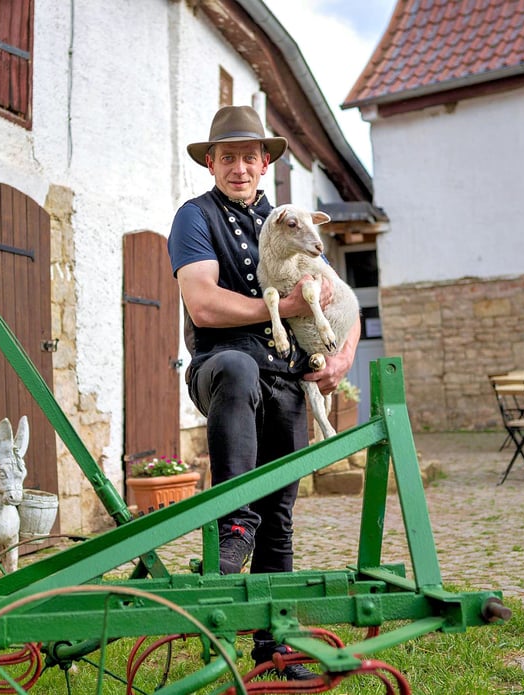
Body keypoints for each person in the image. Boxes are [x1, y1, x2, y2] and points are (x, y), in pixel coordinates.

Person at [167, 105, 360, 680]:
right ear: (211, 162)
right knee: (238, 367)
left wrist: (343, 356)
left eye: (251, 157)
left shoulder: (289, 220)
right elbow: (202, 302)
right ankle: (231, 523)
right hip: (219, 368)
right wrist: (292, 306)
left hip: (286, 375)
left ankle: (274, 649)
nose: (240, 167)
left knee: (280, 516)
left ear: (265, 163)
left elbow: (338, 295)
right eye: (227, 157)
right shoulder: (194, 217)